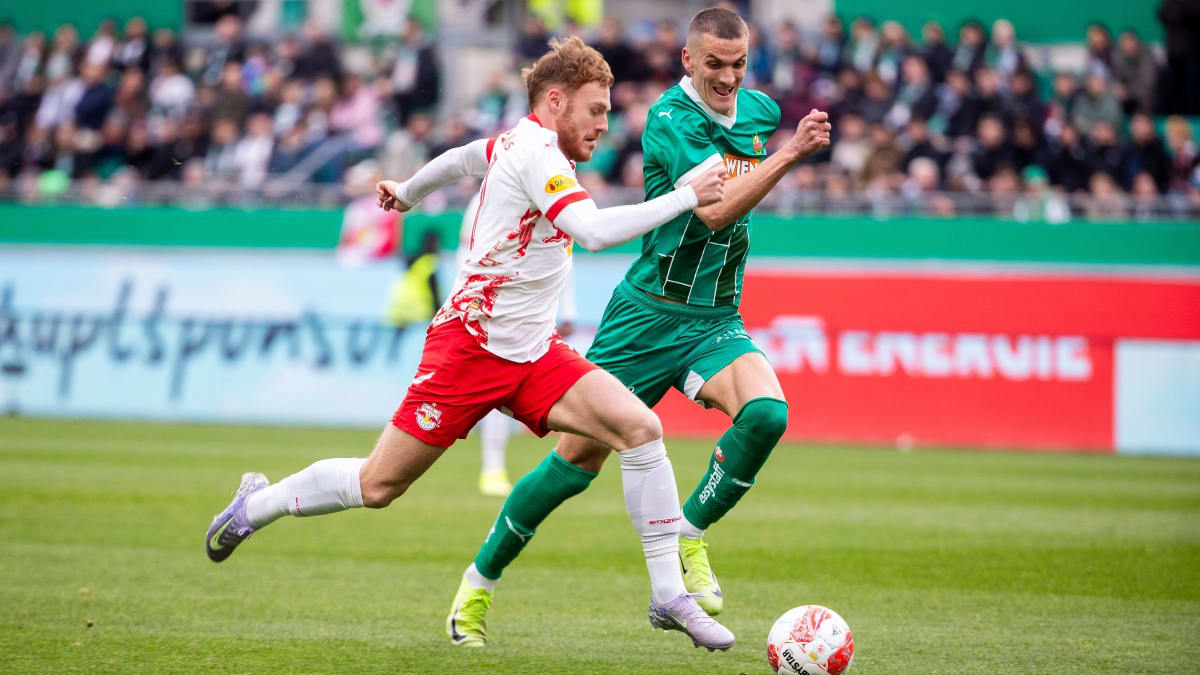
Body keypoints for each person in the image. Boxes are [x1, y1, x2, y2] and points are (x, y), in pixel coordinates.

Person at [204, 36, 733, 651]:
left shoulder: (512, 141)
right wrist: (687, 198)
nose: (604, 122)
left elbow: (462, 158)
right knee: (378, 487)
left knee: (640, 431)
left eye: (608, 109)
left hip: (533, 353)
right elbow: (589, 231)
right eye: (595, 108)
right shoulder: (538, 154)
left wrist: (407, 191)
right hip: (470, 348)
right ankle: (256, 504)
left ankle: (669, 595)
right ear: (555, 102)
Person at [452, 5, 831, 643]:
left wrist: (787, 140)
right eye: (715, 64)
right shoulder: (669, 119)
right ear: (688, 60)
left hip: (714, 317)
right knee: (572, 466)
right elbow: (713, 212)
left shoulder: (761, 112)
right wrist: (792, 153)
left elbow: (749, 168)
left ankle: (687, 536)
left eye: (738, 65)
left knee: (767, 415)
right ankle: (477, 583)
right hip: (645, 318)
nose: (728, 78)